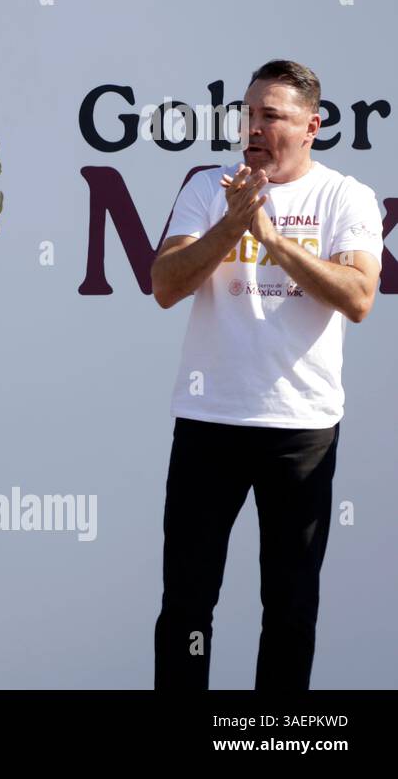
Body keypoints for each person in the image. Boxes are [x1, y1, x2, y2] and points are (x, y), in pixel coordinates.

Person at [149, 60, 383, 690]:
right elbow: (165, 286)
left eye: (270, 116)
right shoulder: (208, 187)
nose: (253, 128)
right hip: (209, 423)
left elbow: (359, 296)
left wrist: (273, 239)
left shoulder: (345, 196)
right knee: (188, 605)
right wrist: (233, 222)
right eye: (248, 114)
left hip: (301, 431)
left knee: (289, 606)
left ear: (312, 125)